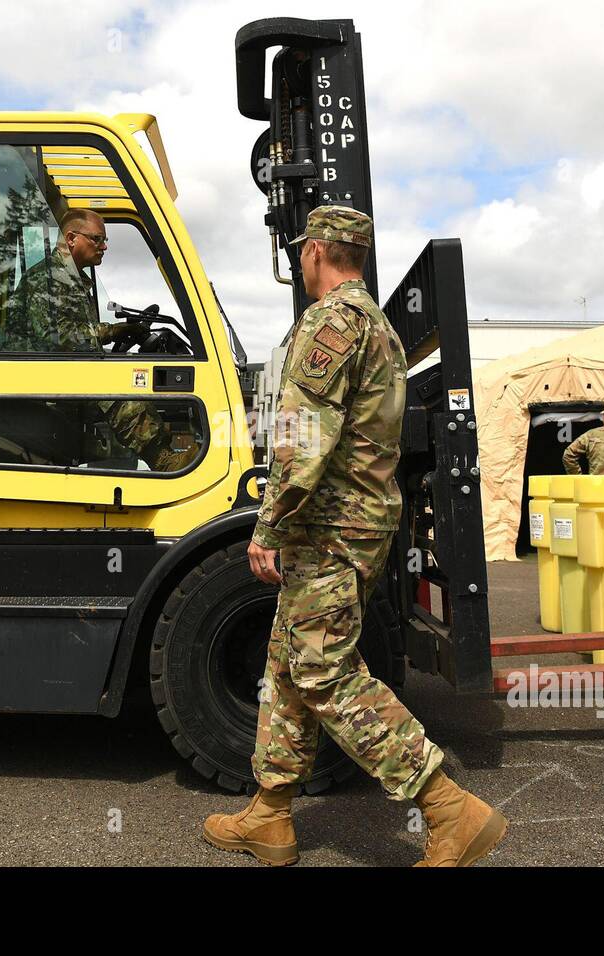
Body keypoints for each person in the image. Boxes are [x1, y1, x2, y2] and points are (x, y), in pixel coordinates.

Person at [202, 206, 507, 868]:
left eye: (301, 251)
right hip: (350, 527)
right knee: (286, 661)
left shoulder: (332, 322)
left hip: (328, 531)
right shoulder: (378, 326)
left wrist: (269, 523)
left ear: (317, 251)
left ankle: (447, 808)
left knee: (322, 670)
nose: (299, 260)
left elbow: (303, 437)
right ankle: (271, 814)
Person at [33, 208, 197, 472]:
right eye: (97, 239)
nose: (104, 246)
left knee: (138, 381)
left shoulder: (70, 280)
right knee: (119, 395)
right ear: (72, 238)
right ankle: (164, 461)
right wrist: (113, 332)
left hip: (65, 372)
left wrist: (120, 334)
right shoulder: (46, 280)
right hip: (45, 380)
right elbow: (60, 337)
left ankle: (167, 453)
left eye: (104, 240)